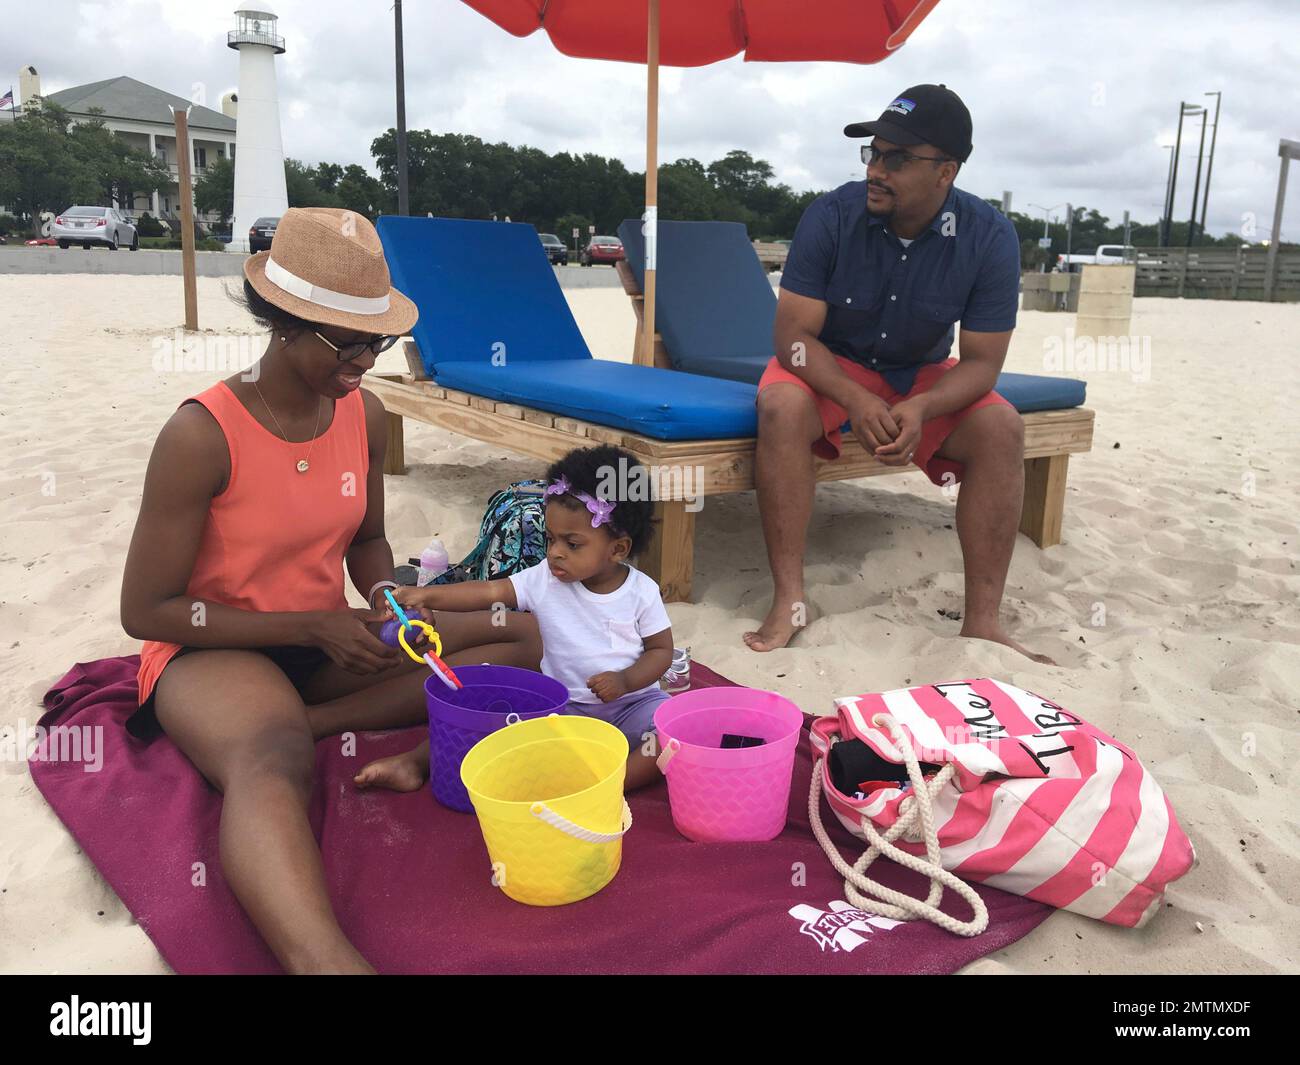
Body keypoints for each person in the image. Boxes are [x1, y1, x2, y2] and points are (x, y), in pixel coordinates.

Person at [119, 207, 540, 974]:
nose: (366, 361)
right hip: (211, 645)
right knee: (270, 757)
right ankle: (326, 959)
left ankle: (314, 716)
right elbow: (146, 609)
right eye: (348, 344)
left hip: (322, 636)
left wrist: (385, 600)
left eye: (378, 341)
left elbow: (367, 539)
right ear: (284, 323)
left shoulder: (363, 414)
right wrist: (309, 627)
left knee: (520, 635)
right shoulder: (202, 434)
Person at [743, 84, 1050, 663]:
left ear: (945, 172)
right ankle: (789, 600)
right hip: (830, 362)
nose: (876, 170)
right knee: (781, 406)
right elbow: (793, 340)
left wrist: (923, 407)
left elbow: (983, 362)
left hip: (922, 371)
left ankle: (983, 622)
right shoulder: (832, 215)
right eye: (874, 153)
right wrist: (854, 397)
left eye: (897, 158)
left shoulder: (988, 236)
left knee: (1002, 428)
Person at [358, 445, 674, 792]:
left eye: (572, 544)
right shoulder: (544, 579)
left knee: (669, 734)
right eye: (551, 539)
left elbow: (660, 651)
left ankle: (610, 785)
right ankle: (413, 762)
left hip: (631, 705)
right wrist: (427, 595)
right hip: (563, 710)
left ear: (618, 549)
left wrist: (626, 681)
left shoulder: (641, 591)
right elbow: (490, 592)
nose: (555, 552)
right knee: (494, 713)